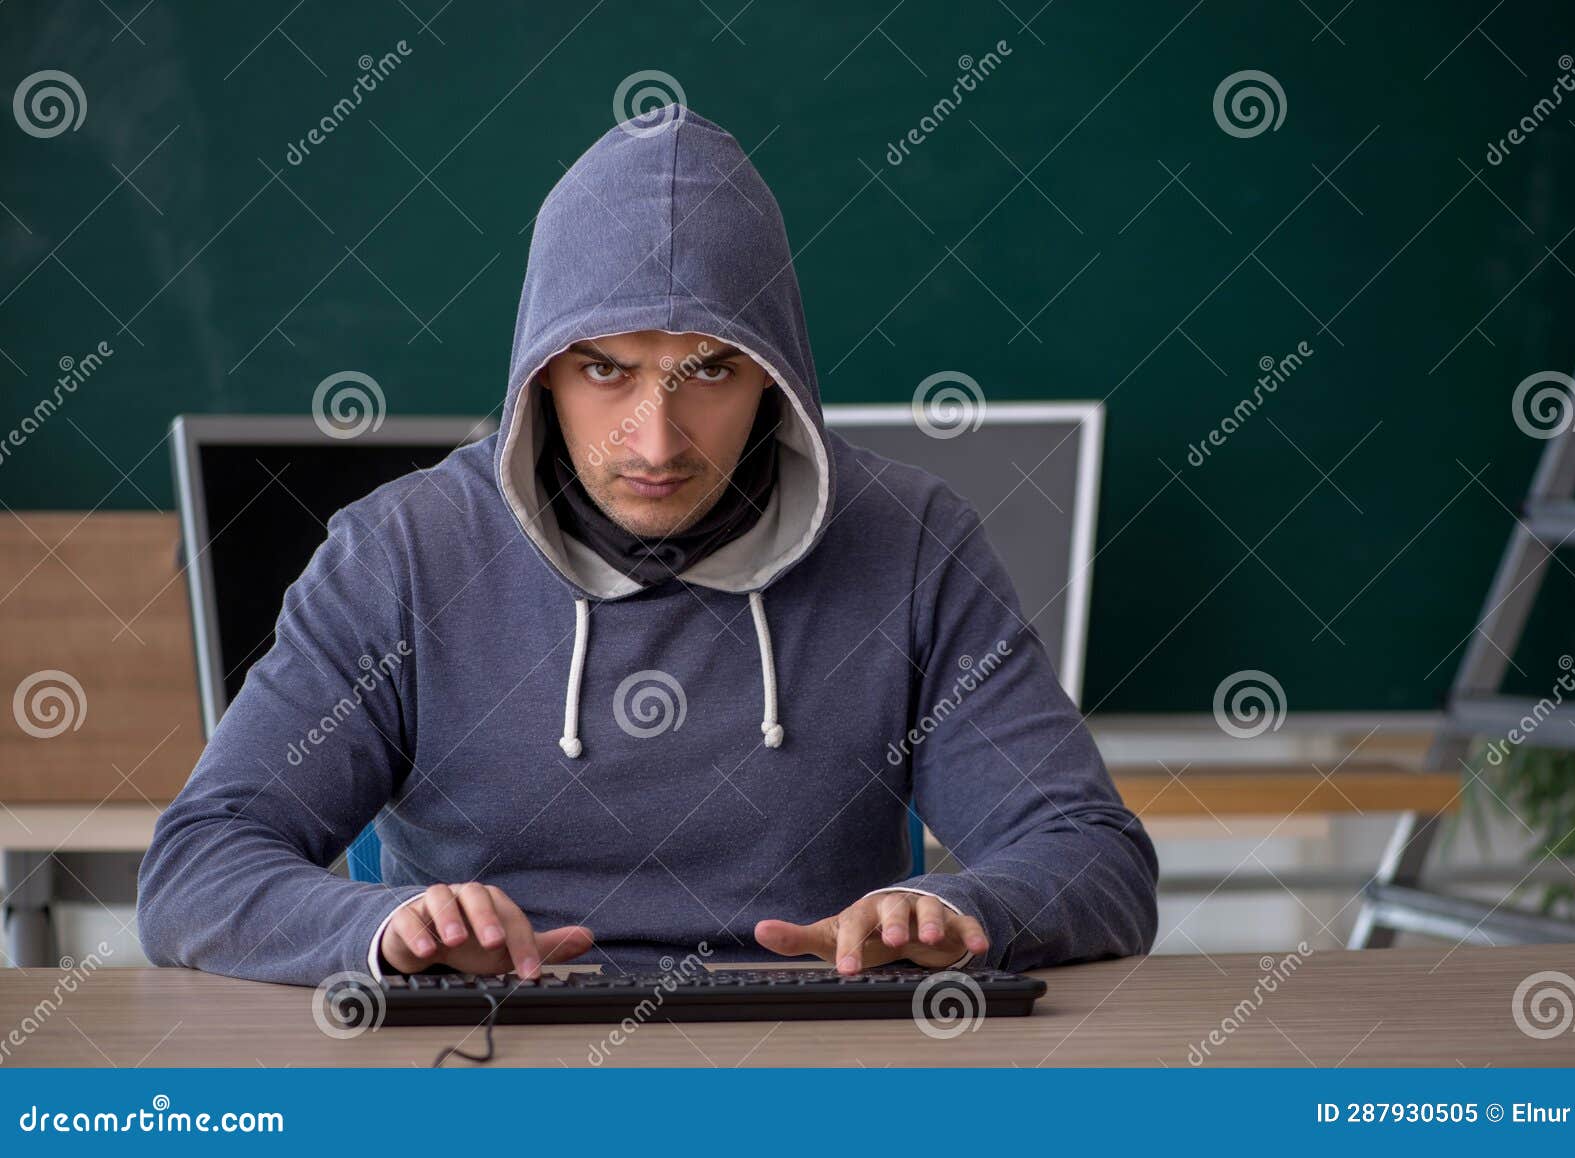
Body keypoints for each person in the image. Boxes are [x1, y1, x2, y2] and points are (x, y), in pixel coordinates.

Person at [137, 104, 1158, 987]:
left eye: (709, 372)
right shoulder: (400, 554)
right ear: (540, 374)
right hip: (489, 1063)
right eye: (606, 372)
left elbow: (1092, 858)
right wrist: (383, 927)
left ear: (777, 377)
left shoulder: (909, 539)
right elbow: (197, 868)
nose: (656, 442)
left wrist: (962, 911)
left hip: (824, 1059)